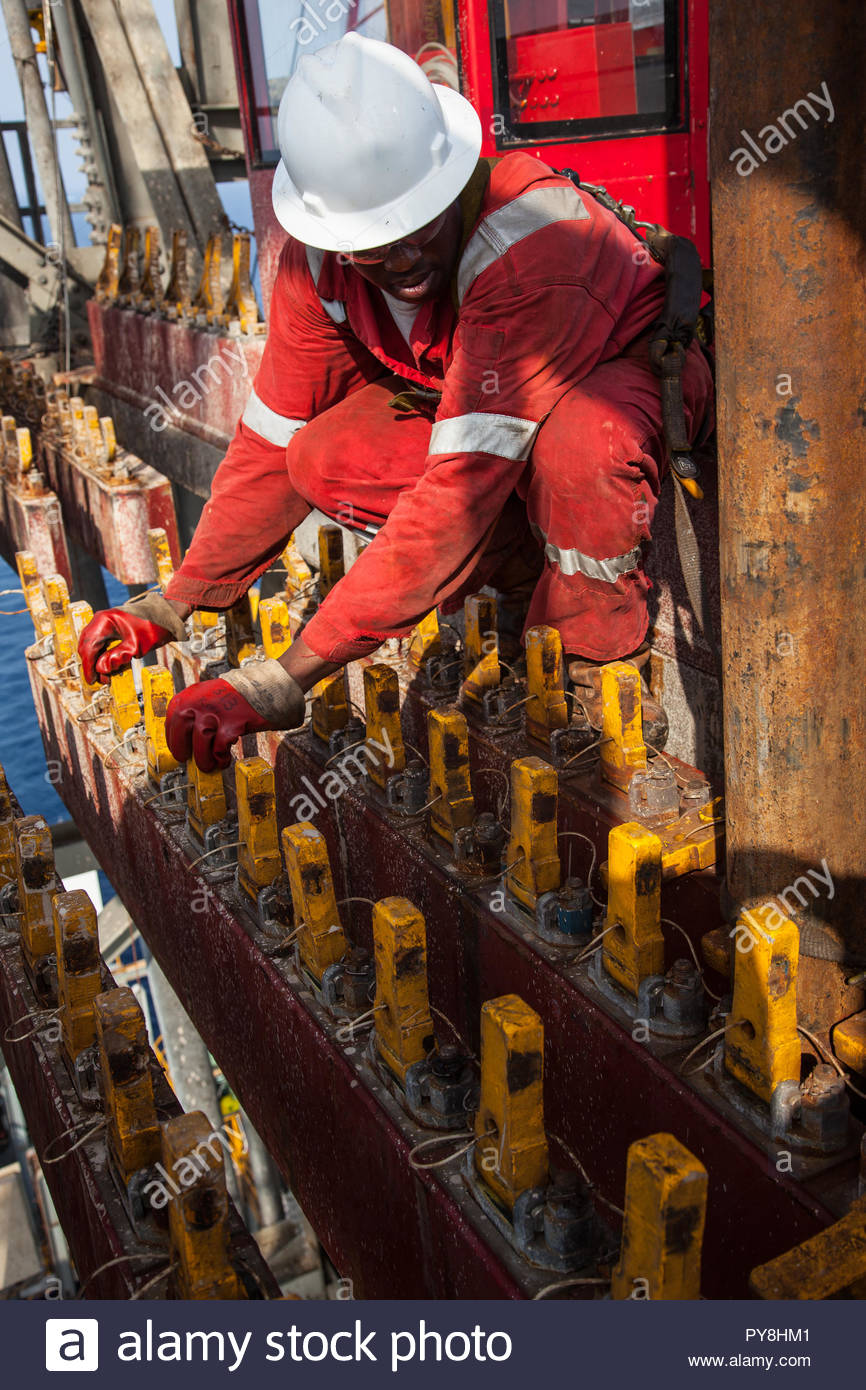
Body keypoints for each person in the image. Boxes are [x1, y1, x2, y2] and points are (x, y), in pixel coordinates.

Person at [78, 32, 713, 773]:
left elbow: (459, 495)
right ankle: (519, 590)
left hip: (619, 370)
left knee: (581, 442)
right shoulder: (317, 269)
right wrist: (174, 602)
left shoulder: (531, 247)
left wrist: (287, 677)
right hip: (485, 410)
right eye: (375, 246)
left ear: (448, 184)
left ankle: (588, 660)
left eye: (419, 227)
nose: (404, 258)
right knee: (319, 456)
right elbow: (269, 444)